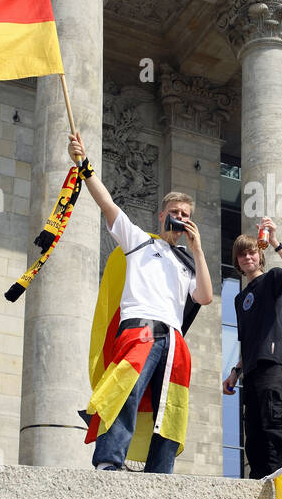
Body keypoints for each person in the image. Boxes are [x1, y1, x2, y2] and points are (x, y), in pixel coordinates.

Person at [69, 131, 213, 472]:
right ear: (162, 215)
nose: (180, 217)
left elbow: (205, 296)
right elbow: (107, 204)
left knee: (171, 406)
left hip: (175, 339)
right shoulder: (138, 242)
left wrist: (198, 249)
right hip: (141, 328)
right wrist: (84, 166)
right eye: (175, 211)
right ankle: (109, 460)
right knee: (126, 389)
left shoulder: (187, 262)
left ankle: (159, 471)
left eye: (186, 213)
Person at [223, 217, 282, 479]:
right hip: (252, 369)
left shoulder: (272, 279)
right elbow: (247, 341)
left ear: (260, 256)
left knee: (276, 423)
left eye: (251, 253)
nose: (247, 257)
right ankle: (259, 480)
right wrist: (236, 371)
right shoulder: (239, 299)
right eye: (242, 255)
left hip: (272, 365)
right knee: (255, 432)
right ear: (237, 262)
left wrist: (275, 242)